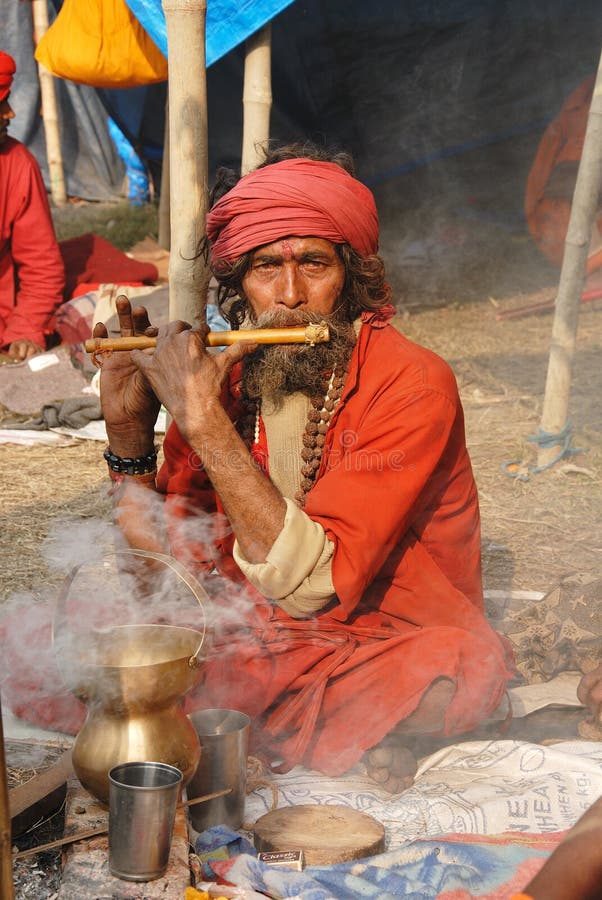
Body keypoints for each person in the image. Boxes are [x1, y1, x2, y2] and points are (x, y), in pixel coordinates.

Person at [89, 143, 520, 791]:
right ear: (236, 287)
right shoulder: (223, 385)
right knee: (89, 643)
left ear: (352, 275)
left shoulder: (412, 383)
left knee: (454, 677)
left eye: (313, 264)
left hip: (377, 636)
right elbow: (164, 580)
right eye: (266, 268)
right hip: (248, 635)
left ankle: (268, 723)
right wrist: (129, 439)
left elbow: (310, 587)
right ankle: (341, 734)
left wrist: (203, 423)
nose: (290, 295)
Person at [0, 50, 65, 360]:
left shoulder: (18, 164)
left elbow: (42, 264)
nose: (10, 114)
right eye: (1, 105)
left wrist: (25, 329)